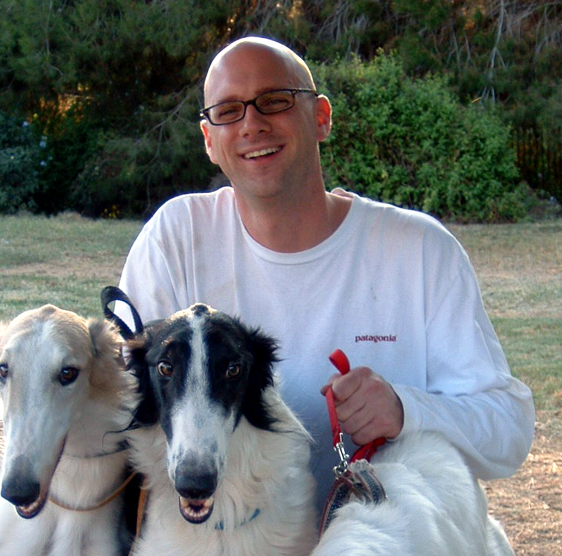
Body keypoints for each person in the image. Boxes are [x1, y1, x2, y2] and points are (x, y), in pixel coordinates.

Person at [118, 35, 534, 514]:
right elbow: (120, 406)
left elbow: (509, 428)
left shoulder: (421, 251)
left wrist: (406, 410)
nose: (252, 123)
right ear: (210, 140)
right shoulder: (175, 237)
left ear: (320, 117)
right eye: (229, 111)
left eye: (274, 101)